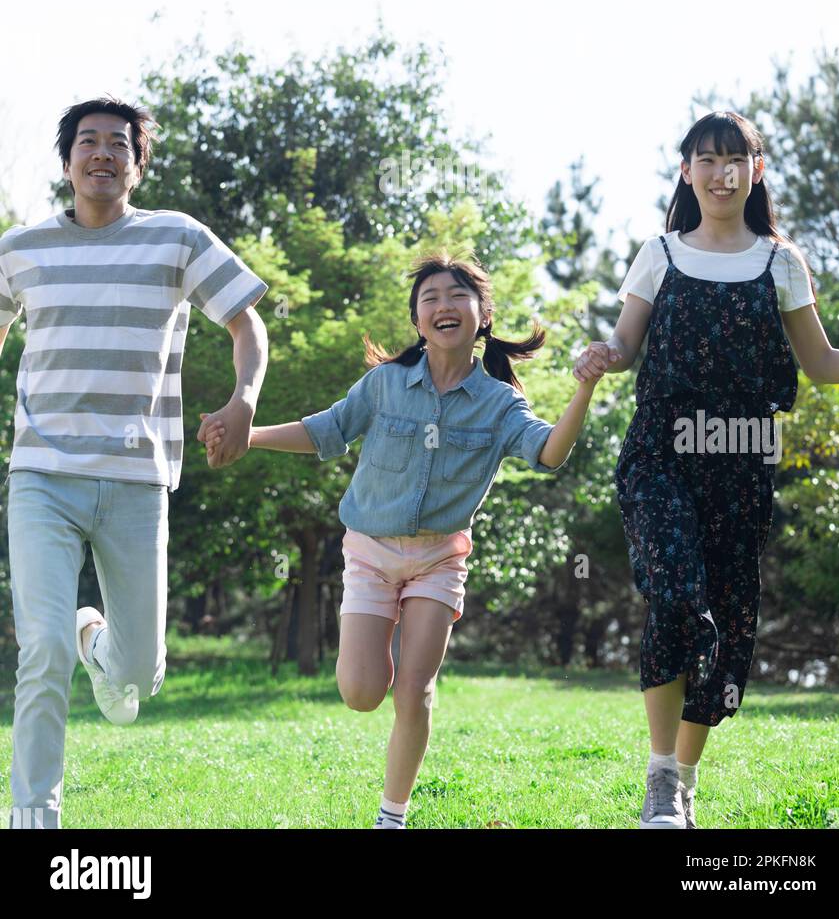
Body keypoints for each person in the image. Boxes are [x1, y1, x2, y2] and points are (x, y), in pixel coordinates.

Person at [203, 248, 599, 829]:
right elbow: (326, 432)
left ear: (481, 315)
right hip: (370, 550)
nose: (443, 306)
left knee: (414, 689)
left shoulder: (499, 403)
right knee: (363, 692)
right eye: (429, 299)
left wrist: (583, 390)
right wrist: (248, 433)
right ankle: (378, 641)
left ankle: (393, 817)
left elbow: (549, 453)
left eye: (456, 296)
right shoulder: (384, 384)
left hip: (440, 558)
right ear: (417, 320)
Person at [574, 109, 839, 830]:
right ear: (686, 171)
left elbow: (822, 363)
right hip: (660, 454)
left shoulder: (781, 263)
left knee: (727, 622)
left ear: (756, 171)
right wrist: (600, 358)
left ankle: (682, 780)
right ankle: (659, 776)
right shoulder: (658, 254)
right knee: (676, 589)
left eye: (735, 159)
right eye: (706, 159)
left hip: (740, 462)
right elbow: (624, 343)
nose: (721, 171)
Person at [0, 96, 269, 830]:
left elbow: (247, 322)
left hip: (137, 478)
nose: (102, 154)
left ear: (138, 163)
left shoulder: (176, 239)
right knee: (42, 648)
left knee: (138, 673)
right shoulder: (20, 249)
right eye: (88, 142)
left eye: (119, 144)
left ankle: (101, 641)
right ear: (67, 161)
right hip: (41, 476)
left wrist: (244, 399)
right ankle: (32, 815)